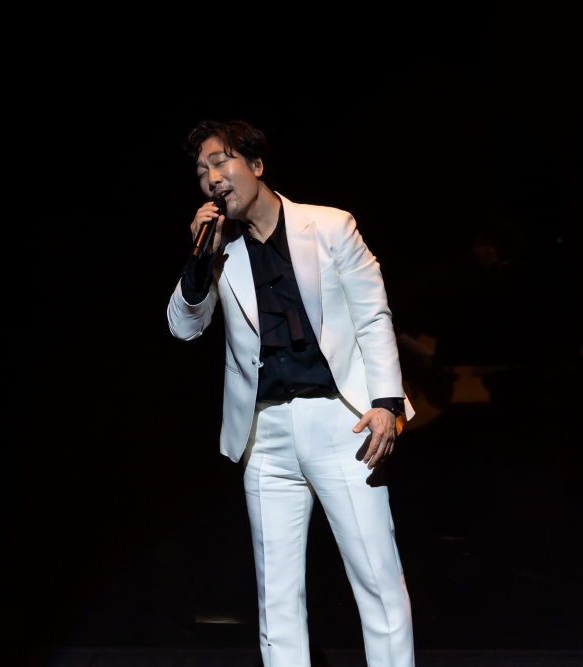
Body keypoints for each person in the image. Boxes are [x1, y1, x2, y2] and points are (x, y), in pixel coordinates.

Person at [167, 119, 415, 667]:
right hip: (266, 435)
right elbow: (183, 327)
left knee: (377, 581)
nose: (211, 178)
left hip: (343, 423)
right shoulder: (221, 253)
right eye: (202, 171)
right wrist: (198, 260)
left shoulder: (329, 226)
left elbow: (373, 316)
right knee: (276, 599)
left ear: (256, 166)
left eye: (221, 162)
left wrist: (386, 404)